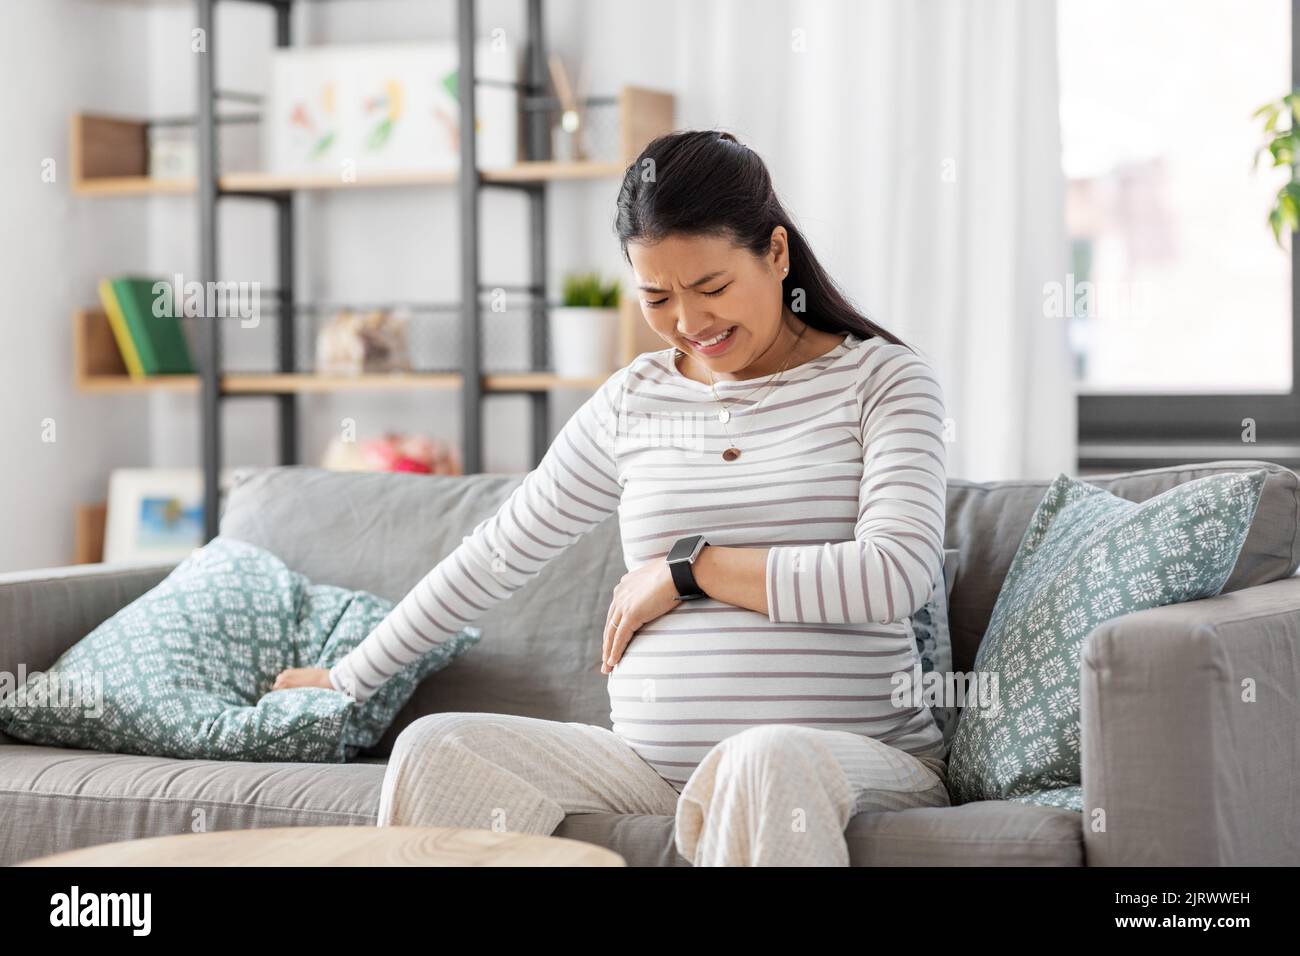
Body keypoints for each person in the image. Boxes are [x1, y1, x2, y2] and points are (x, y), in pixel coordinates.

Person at [269, 129, 951, 866]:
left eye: (713, 287)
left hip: (851, 759)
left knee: (761, 758)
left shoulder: (881, 381)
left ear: (776, 254)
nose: (691, 324)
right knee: (442, 747)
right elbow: (496, 553)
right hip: (650, 771)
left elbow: (895, 573)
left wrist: (687, 571)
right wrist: (347, 677)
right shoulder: (634, 401)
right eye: (657, 296)